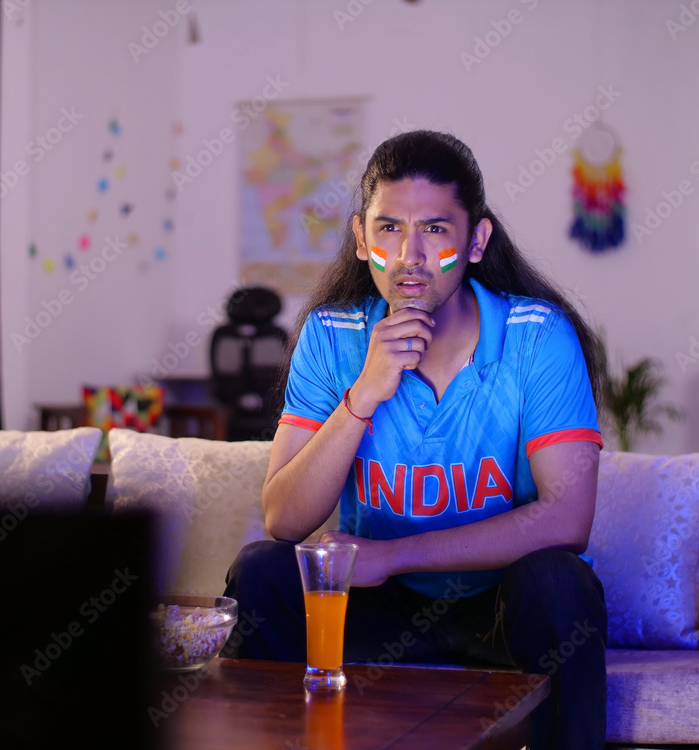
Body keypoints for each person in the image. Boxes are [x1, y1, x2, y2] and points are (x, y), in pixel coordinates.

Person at [223, 130, 607, 749]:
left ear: (475, 240)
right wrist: (363, 395)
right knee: (262, 572)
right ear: (359, 238)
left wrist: (393, 555)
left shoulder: (538, 337)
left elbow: (568, 519)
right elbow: (284, 518)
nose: (409, 256)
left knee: (561, 583)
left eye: (434, 229)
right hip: (379, 610)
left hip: (497, 610)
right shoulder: (332, 335)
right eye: (388, 229)